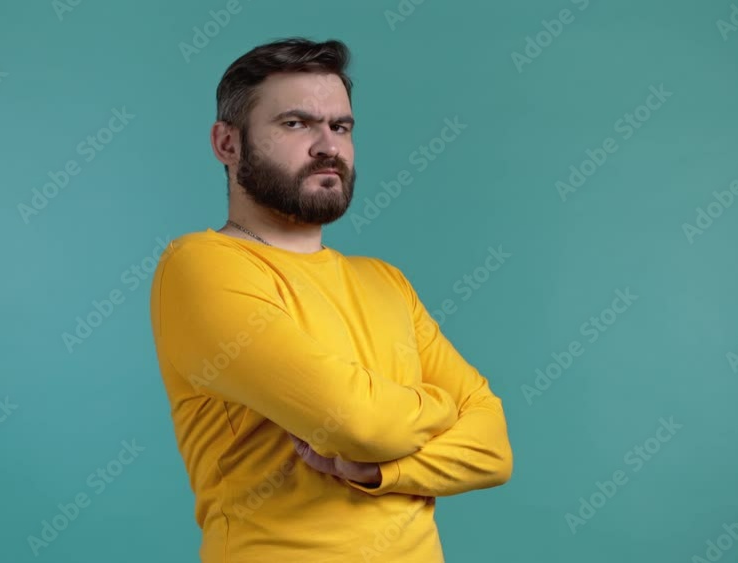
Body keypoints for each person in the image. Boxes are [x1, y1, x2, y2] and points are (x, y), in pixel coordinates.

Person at [149, 37, 512, 562]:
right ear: (227, 144)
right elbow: (353, 423)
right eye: (295, 124)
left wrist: (384, 471)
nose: (328, 146)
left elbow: (493, 450)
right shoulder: (201, 265)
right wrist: (441, 406)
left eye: (340, 127)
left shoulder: (385, 281)